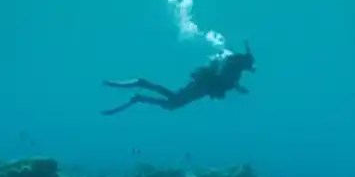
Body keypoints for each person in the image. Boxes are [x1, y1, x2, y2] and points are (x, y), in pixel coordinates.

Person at [101, 41, 256, 116]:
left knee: (173, 102)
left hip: (201, 87)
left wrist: (237, 87)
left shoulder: (234, 69)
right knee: (174, 101)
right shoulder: (233, 69)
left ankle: (138, 96)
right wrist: (237, 87)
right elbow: (225, 80)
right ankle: (140, 88)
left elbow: (227, 82)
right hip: (201, 87)